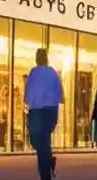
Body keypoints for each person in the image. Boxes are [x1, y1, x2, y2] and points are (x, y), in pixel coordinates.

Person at [24, 47, 63, 180]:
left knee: (40, 143)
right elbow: (59, 91)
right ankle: (49, 162)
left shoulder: (38, 73)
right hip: (46, 109)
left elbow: (29, 90)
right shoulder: (48, 73)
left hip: (42, 110)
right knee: (42, 142)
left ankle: (45, 174)